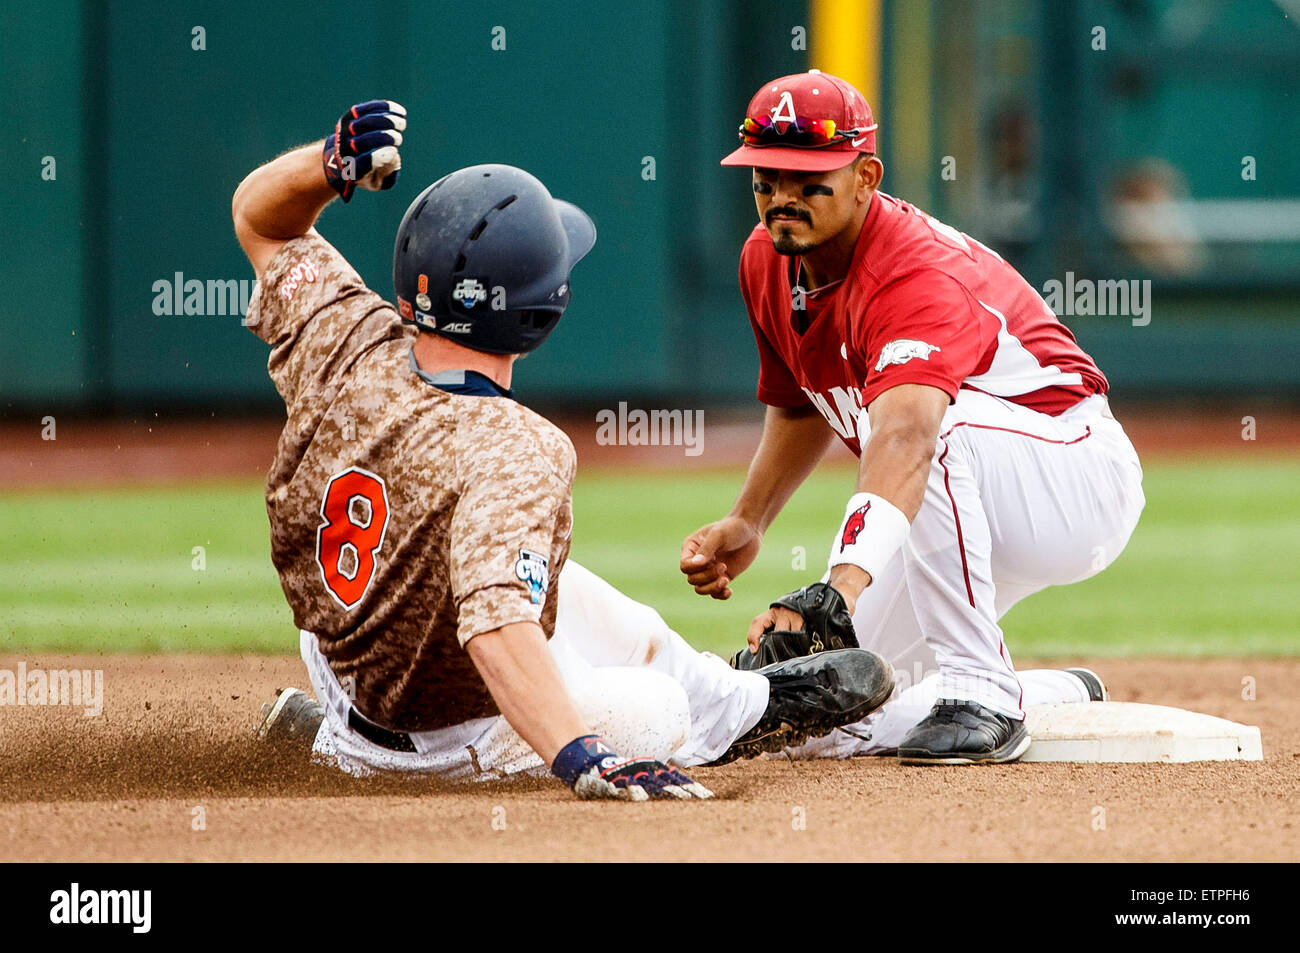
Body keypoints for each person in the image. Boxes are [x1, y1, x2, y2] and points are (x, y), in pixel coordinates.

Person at [233, 99, 894, 800]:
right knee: (654, 710)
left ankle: (735, 697)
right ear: (541, 313)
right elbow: (494, 627)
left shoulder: (344, 334)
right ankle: (725, 719)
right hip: (448, 740)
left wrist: (328, 163)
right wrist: (582, 755)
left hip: (345, 660)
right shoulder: (518, 449)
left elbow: (258, 216)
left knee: (557, 581)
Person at [680, 71, 1145, 764]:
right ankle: (1050, 692)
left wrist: (840, 587)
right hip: (962, 502)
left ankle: (984, 689)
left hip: (1071, 473)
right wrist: (750, 519)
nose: (783, 197)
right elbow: (805, 395)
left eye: (810, 181)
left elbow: (908, 436)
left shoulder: (914, 274)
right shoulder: (767, 259)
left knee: (940, 430)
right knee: (824, 709)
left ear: (866, 176)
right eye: (767, 177)